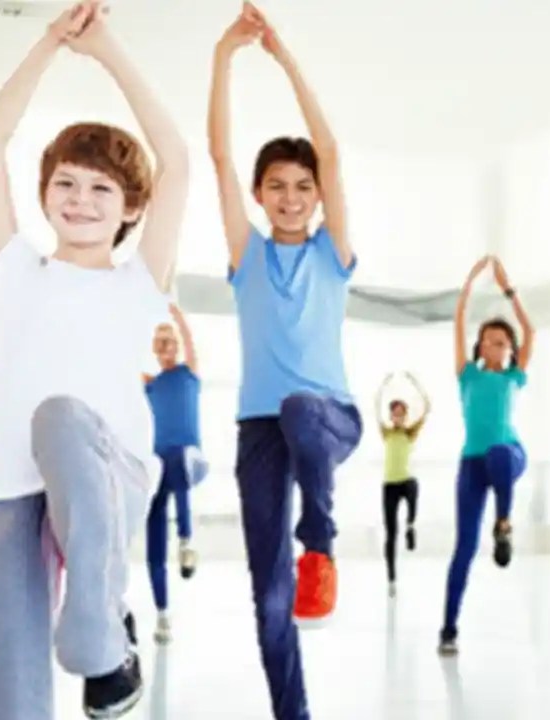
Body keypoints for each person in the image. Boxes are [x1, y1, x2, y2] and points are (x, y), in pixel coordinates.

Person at [0, 1, 188, 717]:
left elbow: (177, 160)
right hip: (11, 489)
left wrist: (107, 50)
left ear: (131, 209)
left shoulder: (139, 281)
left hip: (106, 470)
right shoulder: (13, 270)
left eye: (102, 188)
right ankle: (96, 645)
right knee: (12, 701)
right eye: (66, 182)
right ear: (44, 194)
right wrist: (47, 45)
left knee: (59, 417)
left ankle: (102, 643)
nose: (81, 199)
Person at [208, 4, 363, 718]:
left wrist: (284, 59)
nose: (292, 197)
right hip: (260, 431)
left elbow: (329, 149)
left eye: (304, 186)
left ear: (318, 194)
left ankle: (320, 545)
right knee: (268, 593)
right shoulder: (248, 254)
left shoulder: (333, 253)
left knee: (302, 406)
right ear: (258, 193)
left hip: (329, 419)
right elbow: (219, 154)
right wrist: (224, 56)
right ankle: (290, 711)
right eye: (277, 185)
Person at [438, 256, 534, 656]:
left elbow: (530, 330)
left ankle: (504, 524)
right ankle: (448, 628)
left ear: (510, 350)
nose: (498, 345)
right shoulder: (468, 375)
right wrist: (471, 282)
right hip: (472, 464)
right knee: (464, 548)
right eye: (491, 340)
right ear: (480, 346)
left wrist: (508, 289)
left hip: (509, 455)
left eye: (503, 342)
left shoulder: (514, 376)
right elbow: (459, 320)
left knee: (499, 452)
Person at [143, 302, 208, 645]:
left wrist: (177, 315)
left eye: (170, 340)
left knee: (179, 459)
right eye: (160, 342)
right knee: (153, 534)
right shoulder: (150, 384)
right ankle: (162, 614)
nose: (166, 346)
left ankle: (186, 539)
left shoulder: (188, 374)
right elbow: (121, 367)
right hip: (160, 465)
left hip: (189, 460)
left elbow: (190, 341)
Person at [375, 371, 430, 597]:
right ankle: (391, 577)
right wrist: (384, 386)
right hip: (389, 485)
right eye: (394, 414)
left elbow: (427, 408)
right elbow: (376, 408)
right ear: (391, 416)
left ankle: (411, 524)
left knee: (413, 485)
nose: (397, 417)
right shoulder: (386, 433)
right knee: (390, 534)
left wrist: (415, 383)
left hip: (406, 482)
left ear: (405, 416)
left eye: (401, 414)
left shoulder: (410, 433)